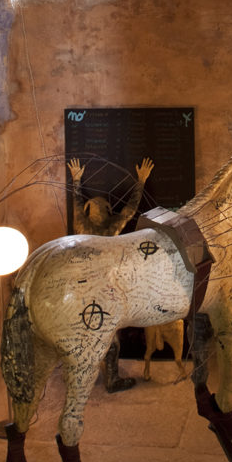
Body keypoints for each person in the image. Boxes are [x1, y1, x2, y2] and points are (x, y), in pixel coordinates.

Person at [66, 155, 154, 392]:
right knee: (108, 336)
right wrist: (140, 182)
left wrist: (76, 181)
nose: (95, 208)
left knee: (92, 334)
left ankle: (86, 376)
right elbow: (130, 209)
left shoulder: (85, 227)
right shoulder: (108, 229)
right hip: (103, 290)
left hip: (88, 290)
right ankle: (111, 379)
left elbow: (78, 205)